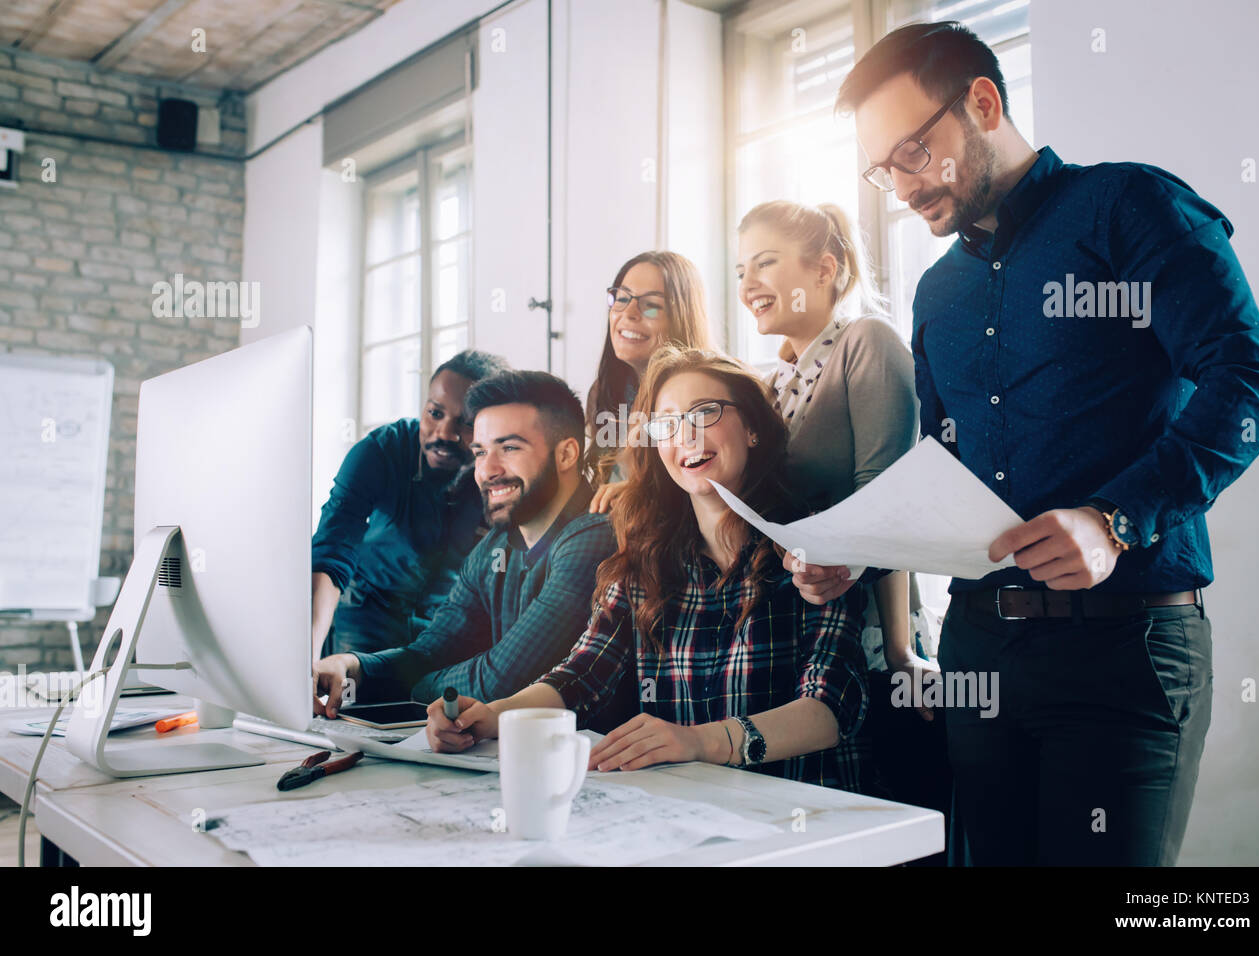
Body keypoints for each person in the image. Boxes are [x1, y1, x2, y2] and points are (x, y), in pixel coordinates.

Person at [838, 20, 1259, 864]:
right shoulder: (939, 291)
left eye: (912, 152)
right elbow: (944, 468)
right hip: (979, 650)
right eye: (881, 169)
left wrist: (1115, 519)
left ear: (982, 102)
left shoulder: (1130, 205)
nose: (900, 187)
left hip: (1124, 652)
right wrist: (859, 548)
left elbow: (1254, 378)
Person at [425, 347, 870, 793]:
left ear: (752, 427)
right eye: (668, 424)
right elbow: (583, 672)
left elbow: (831, 706)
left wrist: (697, 741)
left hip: (806, 816)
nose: (686, 435)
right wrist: (494, 715)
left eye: (705, 412)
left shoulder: (811, 544)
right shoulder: (647, 555)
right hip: (691, 818)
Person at [736, 200, 951, 824]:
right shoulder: (773, 385)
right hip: (800, 633)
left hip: (869, 629)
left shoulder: (867, 342)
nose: (748, 283)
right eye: (741, 268)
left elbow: (885, 498)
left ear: (825, 269)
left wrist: (904, 652)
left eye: (766, 263)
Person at [312, 370, 618, 712]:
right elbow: (429, 653)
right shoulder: (495, 548)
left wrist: (412, 688)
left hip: (599, 760)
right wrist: (350, 669)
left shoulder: (594, 537)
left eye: (510, 448)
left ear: (566, 454)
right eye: (480, 452)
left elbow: (499, 680)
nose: (488, 471)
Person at [310, 350, 508, 659]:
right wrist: (308, 652)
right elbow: (332, 548)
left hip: (446, 627)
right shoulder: (379, 451)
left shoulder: (498, 473)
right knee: (359, 706)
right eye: (435, 413)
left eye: (465, 423)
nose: (444, 433)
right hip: (368, 618)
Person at [584, 251, 712, 513]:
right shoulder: (604, 391)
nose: (628, 313)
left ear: (681, 315)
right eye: (621, 298)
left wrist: (642, 493)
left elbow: (713, 486)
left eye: (650, 304)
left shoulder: (707, 392)